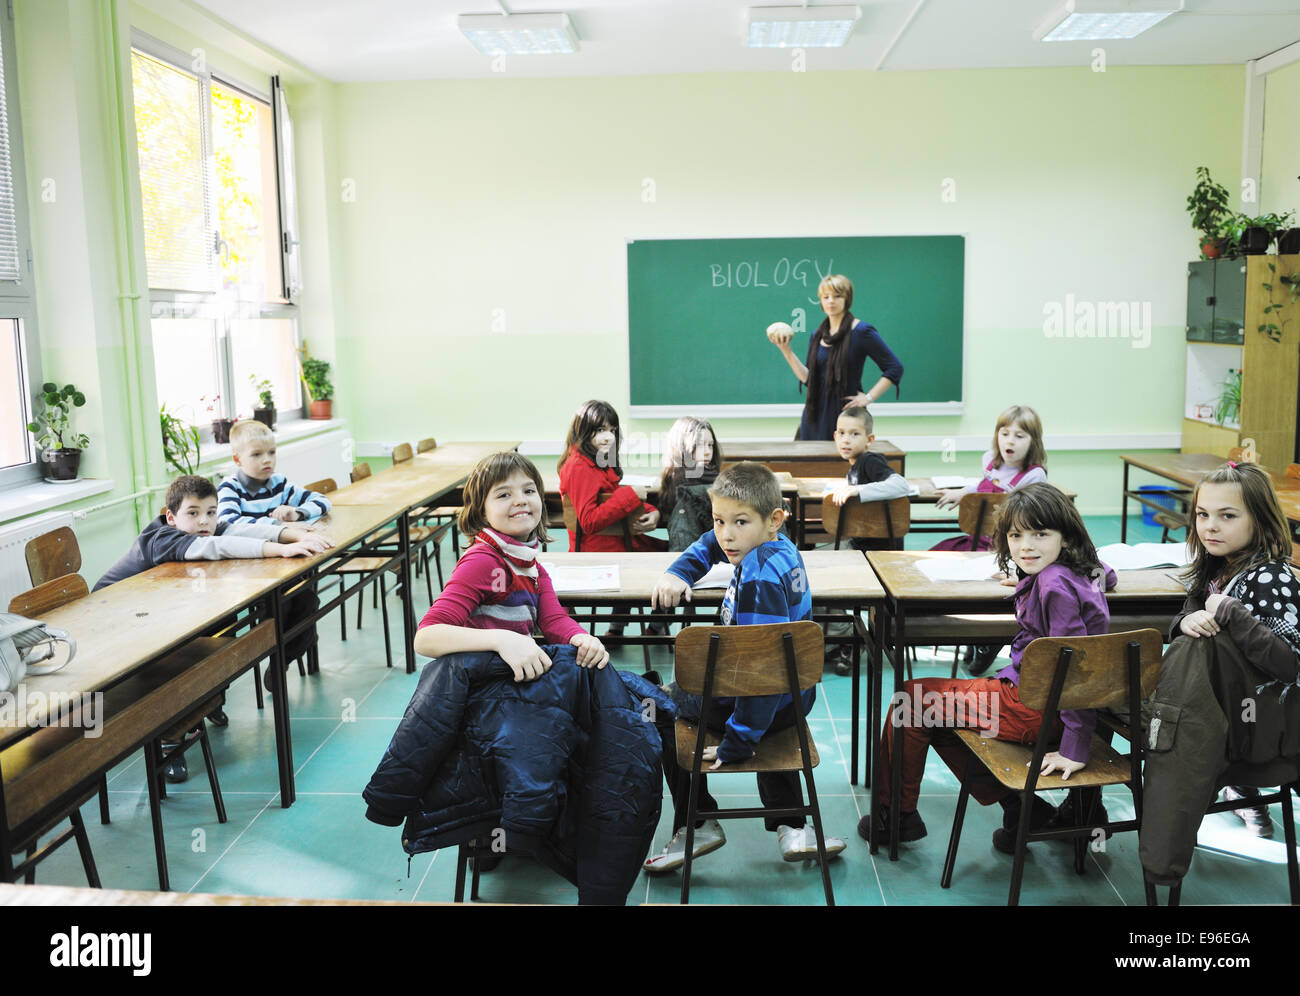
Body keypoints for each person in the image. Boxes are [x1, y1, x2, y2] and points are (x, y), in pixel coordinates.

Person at [868, 483, 1116, 854]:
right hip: (1041, 702)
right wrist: (1034, 575)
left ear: (1066, 539)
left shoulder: (1054, 586)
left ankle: (894, 818)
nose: (1026, 546)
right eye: (1016, 535)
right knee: (934, 711)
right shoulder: (1077, 571)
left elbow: (1074, 670)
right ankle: (1022, 809)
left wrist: (1075, 746)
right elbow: (1107, 575)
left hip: (1037, 709)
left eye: (1040, 535)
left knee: (912, 701)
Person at [642, 461, 849, 872]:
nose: (726, 534)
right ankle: (793, 825)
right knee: (766, 686)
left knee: (660, 703)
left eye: (738, 522)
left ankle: (696, 821)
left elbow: (760, 678)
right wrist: (679, 571)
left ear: (773, 520)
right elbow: (709, 544)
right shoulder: (777, 545)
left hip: (758, 699)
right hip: (794, 697)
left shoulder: (758, 579)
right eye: (720, 520)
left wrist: (739, 740)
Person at [94, 474, 333, 780]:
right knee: (178, 658)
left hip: (155, 612)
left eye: (210, 512)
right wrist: (281, 549)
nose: (204, 521)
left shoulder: (206, 527)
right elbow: (220, 547)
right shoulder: (163, 538)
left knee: (224, 622)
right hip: (116, 623)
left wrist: (292, 535)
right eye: (193, 513)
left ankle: (205, 699)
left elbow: (242, 529)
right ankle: (169, 739)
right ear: (171, 517)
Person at [1141, 463, 1300, 884]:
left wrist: (1231, 613)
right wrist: (1186, 622)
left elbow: (1287, 664)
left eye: (1228, 516)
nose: (1211, 526)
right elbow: (1194, 612)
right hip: (1225, 708)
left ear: (1260, 519)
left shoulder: (1270, 577)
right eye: (1203, 514)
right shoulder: (1217, 564)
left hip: (1258, 720)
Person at [413, 451, 608, 681]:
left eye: (528, 491)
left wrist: (581, 638)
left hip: (511, 682)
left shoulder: (530, 565)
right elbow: (426, 638)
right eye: (504, 494)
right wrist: (502, 640)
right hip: (484, 691)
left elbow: (553, 620)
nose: (520, 500)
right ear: (481, 511)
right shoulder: (483, 560)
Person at [932, 404, 1049, 676]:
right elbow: (980, 484)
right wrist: (963, 493)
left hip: (1009, 548)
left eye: (1020, 436)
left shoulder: (1034, 475)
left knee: (996, 585)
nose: (1010, 441)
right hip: (977, 541)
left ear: (1033, 442)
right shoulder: (990, 460)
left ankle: (988, 638)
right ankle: (973, 633)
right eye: (1005, 433)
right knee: (941, 559)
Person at [217, 419, 332, 686]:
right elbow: (228, 526)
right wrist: (279, 526)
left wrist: (297, 512)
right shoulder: (230, 488)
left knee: (307, 601)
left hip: (283, 564)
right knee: (282, 606)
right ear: (237, 459)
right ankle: (281, 651)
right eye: (256, 454)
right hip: (249, 573)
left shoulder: (279, 484)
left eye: (271, 452)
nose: (266, 460)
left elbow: (323, 501)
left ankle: (282, 660)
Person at [765, 273, 903, 441]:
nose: (831, 301)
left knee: (841, 465)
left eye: (837, 296)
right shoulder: (817, 335)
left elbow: (894, 367)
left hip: (845, 419)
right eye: (826, 297)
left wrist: (867, 398)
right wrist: (786, 350)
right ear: (821, 301)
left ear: (847, 299)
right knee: (809, 466)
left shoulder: (862, 332)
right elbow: (809, 379)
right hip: (814, 415)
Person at [824, 405, 910, 674]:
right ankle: (842, 637)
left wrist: (855, 490)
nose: (846, 439)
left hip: (874, 552)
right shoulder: (854, 467)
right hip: (861, 546)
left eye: (854, 433)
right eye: (841, 433)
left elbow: (900, 485)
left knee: (815, 568)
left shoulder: (870, 461)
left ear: (869, 440)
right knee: (815, 560)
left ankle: (847, 638)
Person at [659, 415, 722, 551]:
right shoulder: (678, 483)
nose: (707, 452)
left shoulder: (718, 481)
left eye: (710, 445)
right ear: (682, 448)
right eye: (699, 445)